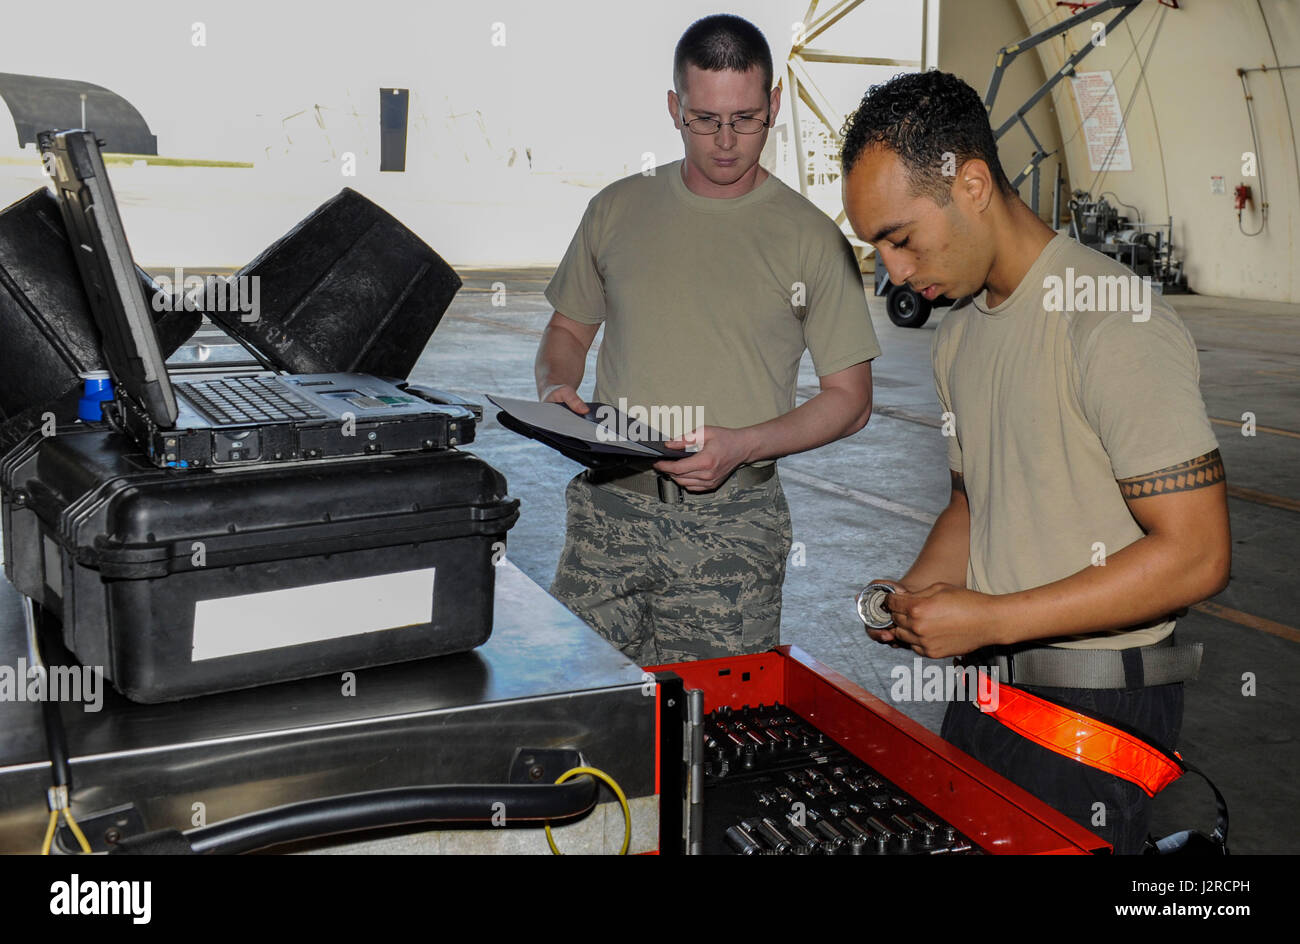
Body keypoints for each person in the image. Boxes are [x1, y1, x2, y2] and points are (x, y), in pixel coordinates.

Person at [840, 70, 1230, 854]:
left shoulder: (1112, 323)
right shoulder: (960, 334)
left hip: (1091, 718)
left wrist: (992, 617)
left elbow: (1196, 555)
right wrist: (912, 595)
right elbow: (971, 505)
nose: (895, 273)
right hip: (985, 695)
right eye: (878, 247)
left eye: (901, 237)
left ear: (973, 184)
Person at [534, 14, 880, 666]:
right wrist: (556, 386)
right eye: (704, 120)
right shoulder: (616, 210)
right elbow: (567, 330)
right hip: (609, 514)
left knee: (714, 730)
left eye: (746, 120)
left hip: (733, 532)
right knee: (583, 715)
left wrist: (743, 444)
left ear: (774, 105)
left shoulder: (812, 240)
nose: (725, 141)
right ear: (674, 107)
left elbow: (850, 398)